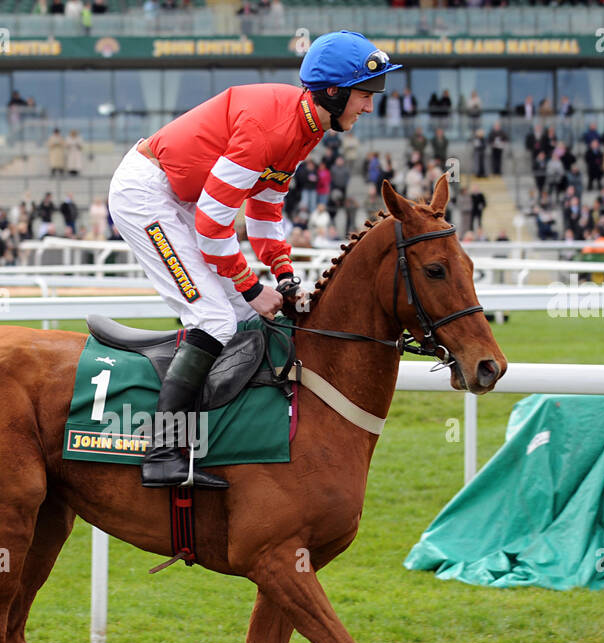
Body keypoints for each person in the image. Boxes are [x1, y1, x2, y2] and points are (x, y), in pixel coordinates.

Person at [105, 29, 401, 488]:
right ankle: (161, 450)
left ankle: (219, 439)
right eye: (365, 95)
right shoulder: (273, 126)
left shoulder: (305, 127)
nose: (369, 106)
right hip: (147, 195)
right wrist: (250, 285)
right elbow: (211, 224)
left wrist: (282, 277)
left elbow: (264, 212)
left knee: (243, 318)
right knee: (216, 318)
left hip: (182, 198)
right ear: (334, 91)